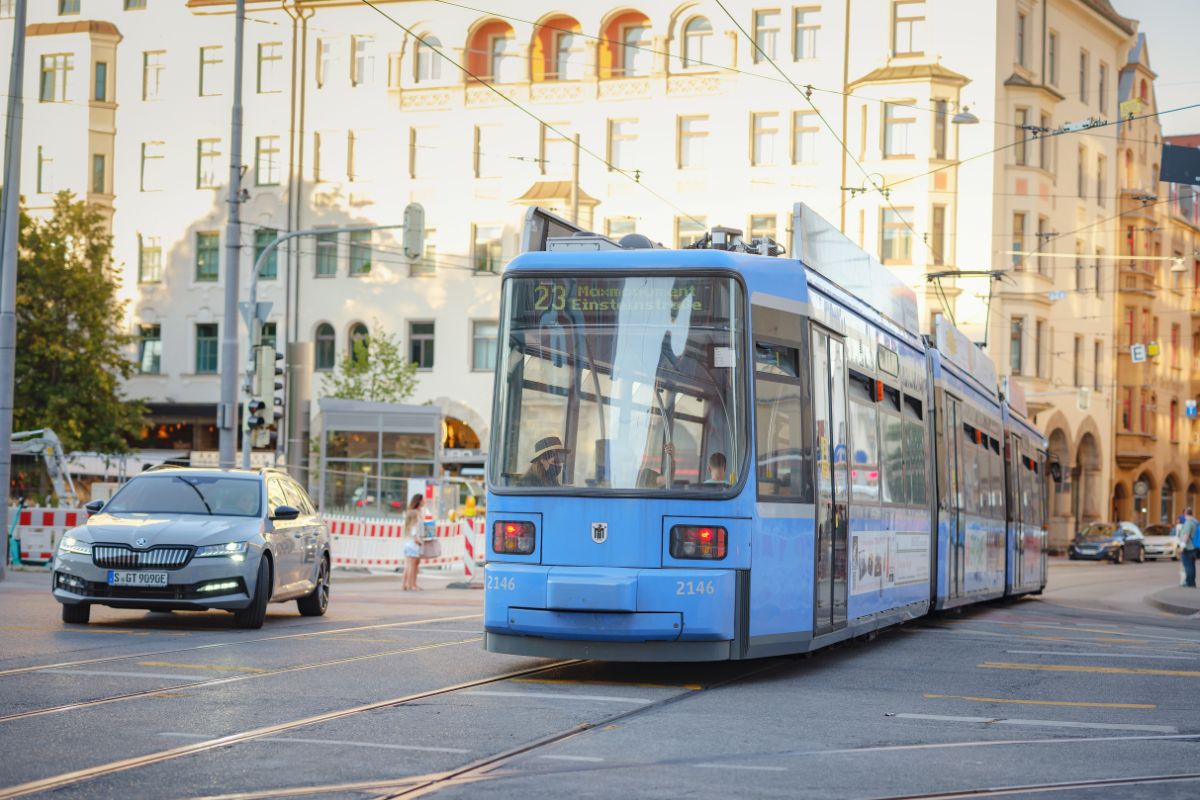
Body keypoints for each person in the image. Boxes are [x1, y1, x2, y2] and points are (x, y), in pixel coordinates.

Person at [401, 493, 424, 591]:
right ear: (419, 501)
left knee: (407, 566)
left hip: (408, 544)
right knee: (412, 566)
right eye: (423, 500)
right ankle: (412, 585)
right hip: (414, 544)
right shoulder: (416, 513)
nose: (424, 501)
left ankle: (404, 585)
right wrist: (417, 540)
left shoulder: (411, 512)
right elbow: (414, 527)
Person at [1181, 507, 1199, 588]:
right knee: (1192, 565)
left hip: (1188, 548)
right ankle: (1192, 582)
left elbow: (1186, 535)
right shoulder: (1196, 521)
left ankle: (1189, 583)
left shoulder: (1188, 522)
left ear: (1185, 514)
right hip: (1195, 547)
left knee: (1188, 565)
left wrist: (1182, 545)